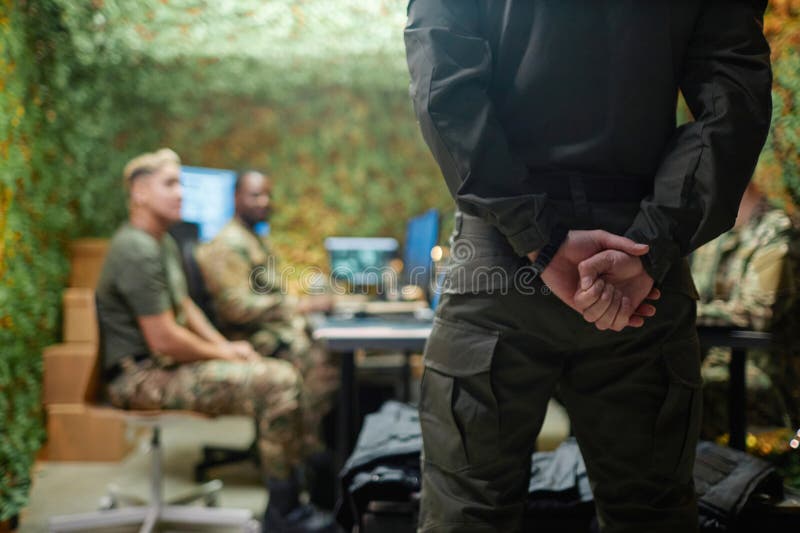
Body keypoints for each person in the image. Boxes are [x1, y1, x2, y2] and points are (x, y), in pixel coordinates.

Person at [405, 2, 772, 532]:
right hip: (640, 266)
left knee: (467, 516)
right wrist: (653, 240)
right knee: (651, 515)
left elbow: (444, 90)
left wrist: (539, 241)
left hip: (500, 267)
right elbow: (733, 97)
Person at [96, 149, 337, 532]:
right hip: (139, 379)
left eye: (180, 184)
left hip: (164, 368)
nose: (180, 193)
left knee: (278, 371)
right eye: (170, 184)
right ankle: (285, 513)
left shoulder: (162, 243)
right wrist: (221, 351)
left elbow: (187, 309)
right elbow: (163, 339)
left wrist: (226, 349)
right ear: (139, 193)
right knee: (279, 381)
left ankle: (298, 497)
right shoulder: (136, 249)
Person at [196, 170, 338, 461]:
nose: (264, 201)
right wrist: (297, 307)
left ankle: (297, 447)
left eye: (267, 194)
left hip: (264, 331)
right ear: (236, 198)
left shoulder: (252, 239)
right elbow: (235, 308)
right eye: (255, 195)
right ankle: (305, 455)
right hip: (245, 338)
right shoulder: (228, 245)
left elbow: (268, 291)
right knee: (322, 364)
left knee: (325, 350)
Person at [691, 181, 800, 438]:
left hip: (760, 376)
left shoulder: (777, 232)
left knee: (662, 403)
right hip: (709, 364)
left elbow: (760, 313)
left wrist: (681, 313)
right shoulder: (714, 235)